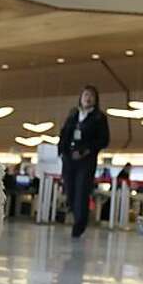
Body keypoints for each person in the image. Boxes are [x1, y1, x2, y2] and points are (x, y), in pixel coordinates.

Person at [57, 85, 110, 238]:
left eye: (91, 95)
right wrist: (62, 151)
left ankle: (79, 224)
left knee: (82, 191)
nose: (88, 98)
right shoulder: (73, 115)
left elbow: (103, 140)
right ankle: (76, 215)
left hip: (86, 160)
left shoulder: (99, 117)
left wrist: (87, 150)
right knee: (70, 190)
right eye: (85, 95)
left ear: (96, 99)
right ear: (80, 98)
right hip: (69, 159)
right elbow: (64, 133)